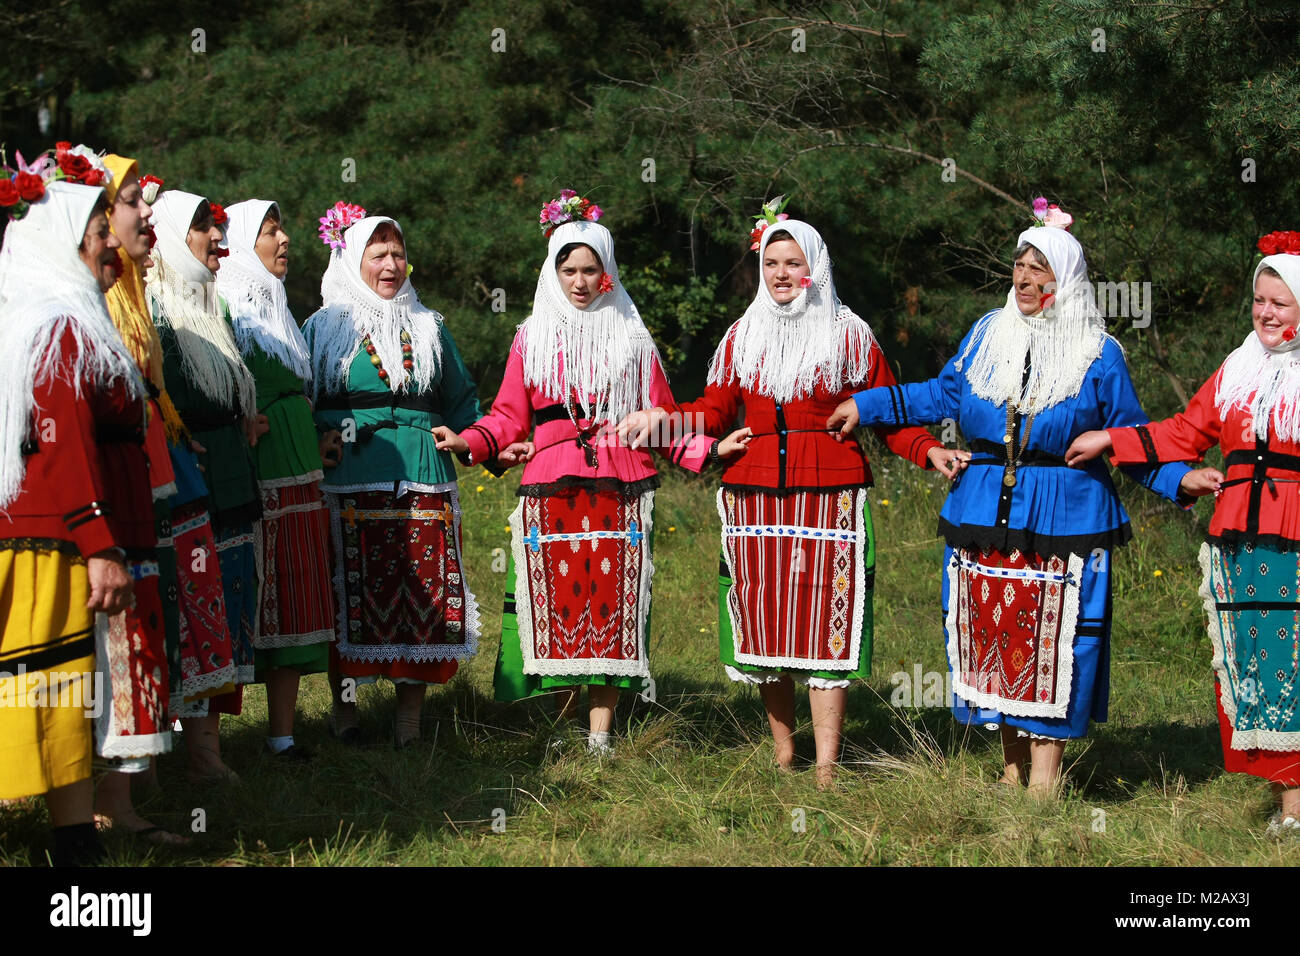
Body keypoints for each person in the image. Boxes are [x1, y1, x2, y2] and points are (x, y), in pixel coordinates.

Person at [830, 203, 1206, 795]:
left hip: (1066, 517)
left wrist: (1179, 480)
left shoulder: (1097, 352)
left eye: (1040, 270)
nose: (1026, 280)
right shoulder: (988, 335)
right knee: (994, 635)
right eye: (1020, 267)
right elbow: (941, 396)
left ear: (1066, 281)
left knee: (1056, 643)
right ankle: (1011, 770)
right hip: (982, 511)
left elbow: (1130, 436)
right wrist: (866, 404)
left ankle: (1043, 783)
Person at [624, 210, 951, 785]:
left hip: (830, 494)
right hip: (752, 498)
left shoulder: (849, 335)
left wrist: (929, 451)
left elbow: (887, 414)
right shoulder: (741, 336)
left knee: (827, 624)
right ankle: (784, 752)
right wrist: (665, 419)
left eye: (793, 263)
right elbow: (713, 411)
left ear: (814, 268)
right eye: (771, 263)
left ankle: (826, 764)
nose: (780, 273)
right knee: (767, 624)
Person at [434, 194, 735, 755]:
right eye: (568, 270)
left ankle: (600, 735)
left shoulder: (633, 336)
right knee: (559, 605)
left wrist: (712, 446)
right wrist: (469, 441)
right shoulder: (531, 337)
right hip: (551, 483)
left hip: (622, 483)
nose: (579, 281)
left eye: (590, 269)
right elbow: (507, 416)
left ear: (606, 272)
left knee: (612, 606)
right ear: (553, 273)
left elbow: (662, 415)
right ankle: (562, 725)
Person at [1066, 232, 1300, 832]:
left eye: (1281, 303)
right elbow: (1184, 432)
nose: (1266, 313)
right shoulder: (1238, 368)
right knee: (1260, 662)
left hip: (1295, 536)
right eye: (1260, 301)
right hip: (1240, 538)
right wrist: (1111, 438)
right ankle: (1289, 801)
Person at [0, 175, 147, 864]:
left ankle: (74, 837)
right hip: (43, 535)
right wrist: (99, 544)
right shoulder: (58, 324)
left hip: (33, 527)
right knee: (48, 684)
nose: (107, 243)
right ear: (62, 243)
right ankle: (72, 841)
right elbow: (62, 442)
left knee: (55, 685)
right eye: (95, 234)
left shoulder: (33, 313)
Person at [304, 206, 482, 748]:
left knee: (422, 597)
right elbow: (304, 400)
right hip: (353, 475)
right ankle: (346, 715)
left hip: (424, 476)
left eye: (398, 254)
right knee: (349, 595)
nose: (390, 265)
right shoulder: (325, 328)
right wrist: (320, 436)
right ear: (352, 261)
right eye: (377, 254)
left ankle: (409, 722)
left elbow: (462, 398)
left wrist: (474, 438)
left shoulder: (429, 327)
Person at [146, 190, 261, 782]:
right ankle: (168, 753)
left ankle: (206, 750)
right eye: (202, 227)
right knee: (186, 611)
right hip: (186, 483)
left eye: (217, 226)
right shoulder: (155, 312)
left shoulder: (213, 308)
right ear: (171, 236)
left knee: (224, 608)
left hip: (230, 478)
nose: (218, 238)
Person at [92, 151, 188, 844]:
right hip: (100, 494)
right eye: (130, 199)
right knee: (111, 642)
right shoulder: (94, 299)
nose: (146, 209)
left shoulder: (127, 293)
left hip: (134, 481)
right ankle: (105, 807)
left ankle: (124, 792)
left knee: (135, 634)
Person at [218, 199, 333, 760]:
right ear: (244, 242)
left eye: (282, 229)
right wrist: (240, 422)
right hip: (257, 466)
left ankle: (282, 736)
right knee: (253, 588)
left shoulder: (279, 307)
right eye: (270, 231)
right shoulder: (225, 306)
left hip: (297, 460)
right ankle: (207, 739)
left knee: (294, 588)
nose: (284, 239)